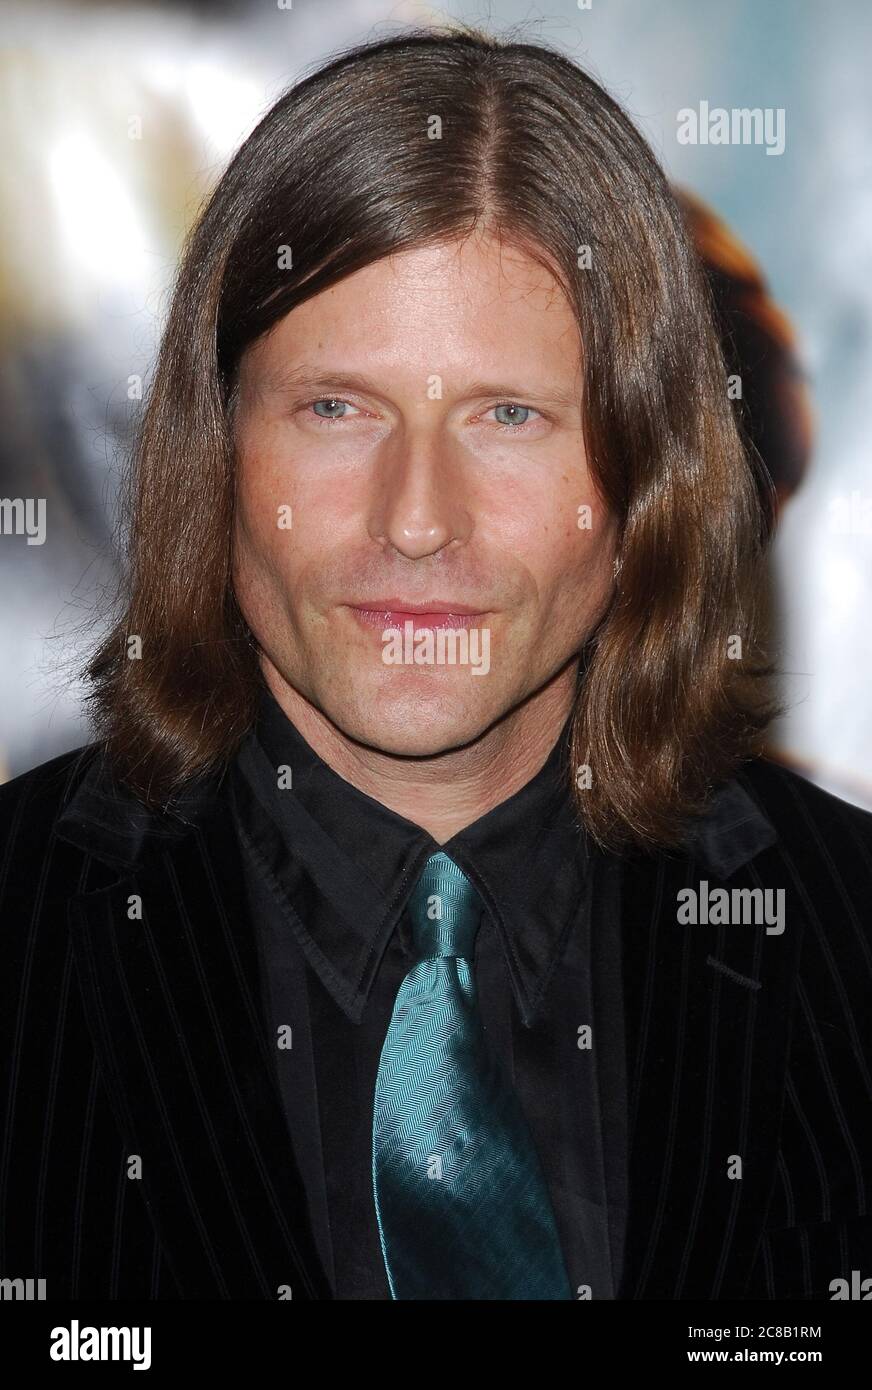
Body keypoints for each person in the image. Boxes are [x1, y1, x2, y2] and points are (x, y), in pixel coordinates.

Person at [1, 25, 870, 1302]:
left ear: (648, 475)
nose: (414, 519)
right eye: (336, 408)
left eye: (506, 416)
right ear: (215, 449)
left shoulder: (846, 933)